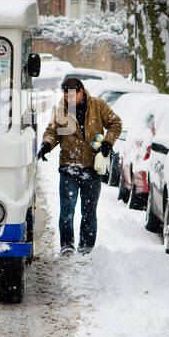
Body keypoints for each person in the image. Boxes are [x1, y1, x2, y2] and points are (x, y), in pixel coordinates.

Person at [36, 75, 121, 255]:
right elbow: (53, 131)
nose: (69, 100)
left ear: (81, 92)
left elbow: (115, 123)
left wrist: (107, 143)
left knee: (89, 212)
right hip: (69, 166)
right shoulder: (62, 110)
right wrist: (47, 145)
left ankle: (86, 247)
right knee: (67, 210)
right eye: (66, 96)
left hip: (92, 167)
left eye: (72, 96)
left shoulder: (97, 106)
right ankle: (67, 246)